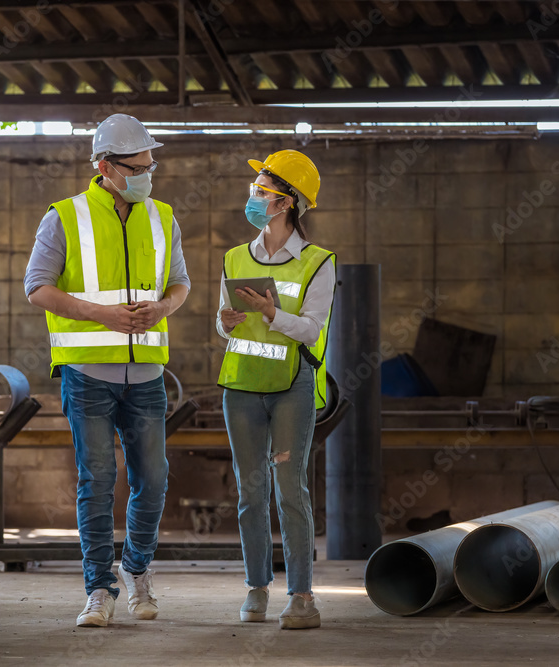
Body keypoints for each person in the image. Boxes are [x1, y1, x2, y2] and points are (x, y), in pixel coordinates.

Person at [24, 114, 190, 628]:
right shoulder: (64, 216)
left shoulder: (163, 217)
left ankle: (137, 570)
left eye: (150, 164)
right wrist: (102, 315)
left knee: (154, 480)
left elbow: (180, 285)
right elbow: (37, 287)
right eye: (137, 166)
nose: (147, 173)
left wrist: (165, 308)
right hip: (87, 374)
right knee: (97, 479)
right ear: (105, 166)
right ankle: (99, 588)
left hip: (146, 377)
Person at [215, 149, 336, 630]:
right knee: (250, 491)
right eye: (255, 189)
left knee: (290, 489)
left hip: (291, 386)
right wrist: (225, 323)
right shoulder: (234, 257)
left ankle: (303, 597)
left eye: (261, 191)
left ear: (286, 202)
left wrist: (270, 313)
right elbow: (225, 328)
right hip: (241, 383)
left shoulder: (318, 262)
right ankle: (256, 588)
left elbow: (312, 330)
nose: (253, 196)